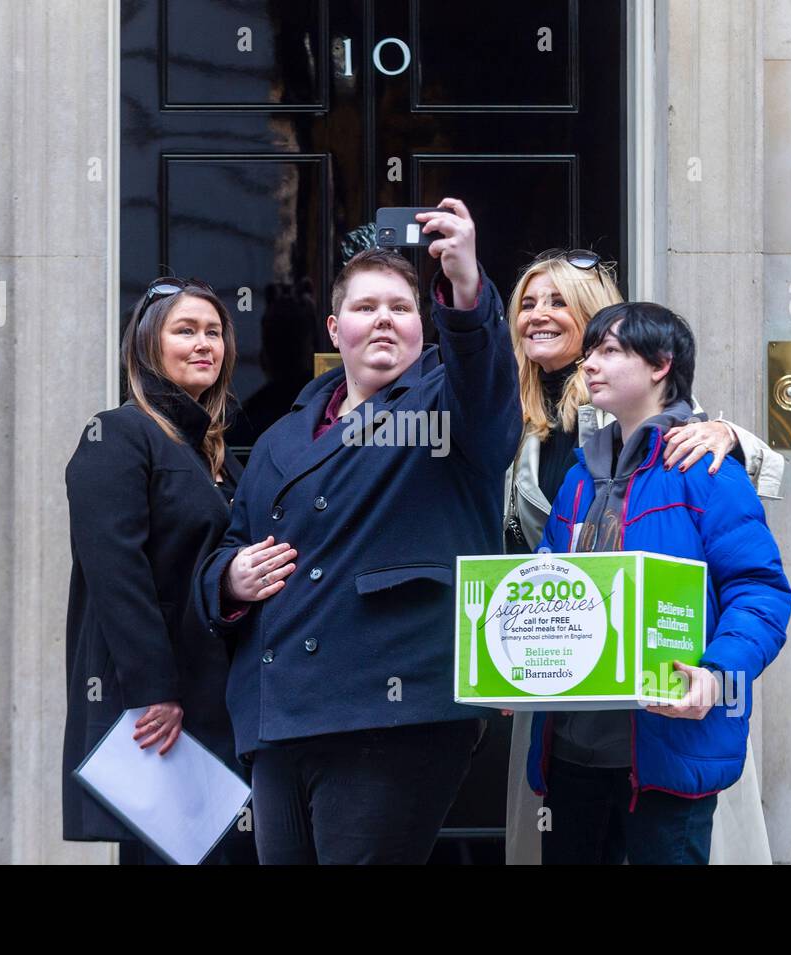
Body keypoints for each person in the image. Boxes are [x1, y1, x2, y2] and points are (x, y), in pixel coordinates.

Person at [193, 198, 522, 864]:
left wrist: (464, 285)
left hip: (393, 711)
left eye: (400, 308)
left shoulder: (447, 408)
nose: (384, 320)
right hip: (279, 716)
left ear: (424, 327)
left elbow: (486, 387)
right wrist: (229, 578)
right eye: (367, 307)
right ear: (336, 327)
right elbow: (228, 545)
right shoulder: (284, 432)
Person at [501, 250, 785, 864]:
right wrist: (512, 670)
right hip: (571, 750)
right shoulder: (578, 476)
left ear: (660, 366)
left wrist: (716, 674)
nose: (590, 362)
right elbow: (547, 585)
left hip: (665, 745)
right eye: (592, 350)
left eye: (608, 350)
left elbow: (760, 592)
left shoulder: (703, 462)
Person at [62, 276, 254, 865]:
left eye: (214, 332)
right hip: (163, 708)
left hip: (220, 696)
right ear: (149, 345)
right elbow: (116, 574)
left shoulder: (214, 455)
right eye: (185, 330)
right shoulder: (118, 434)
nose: (204, 344)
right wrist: (154, 693)